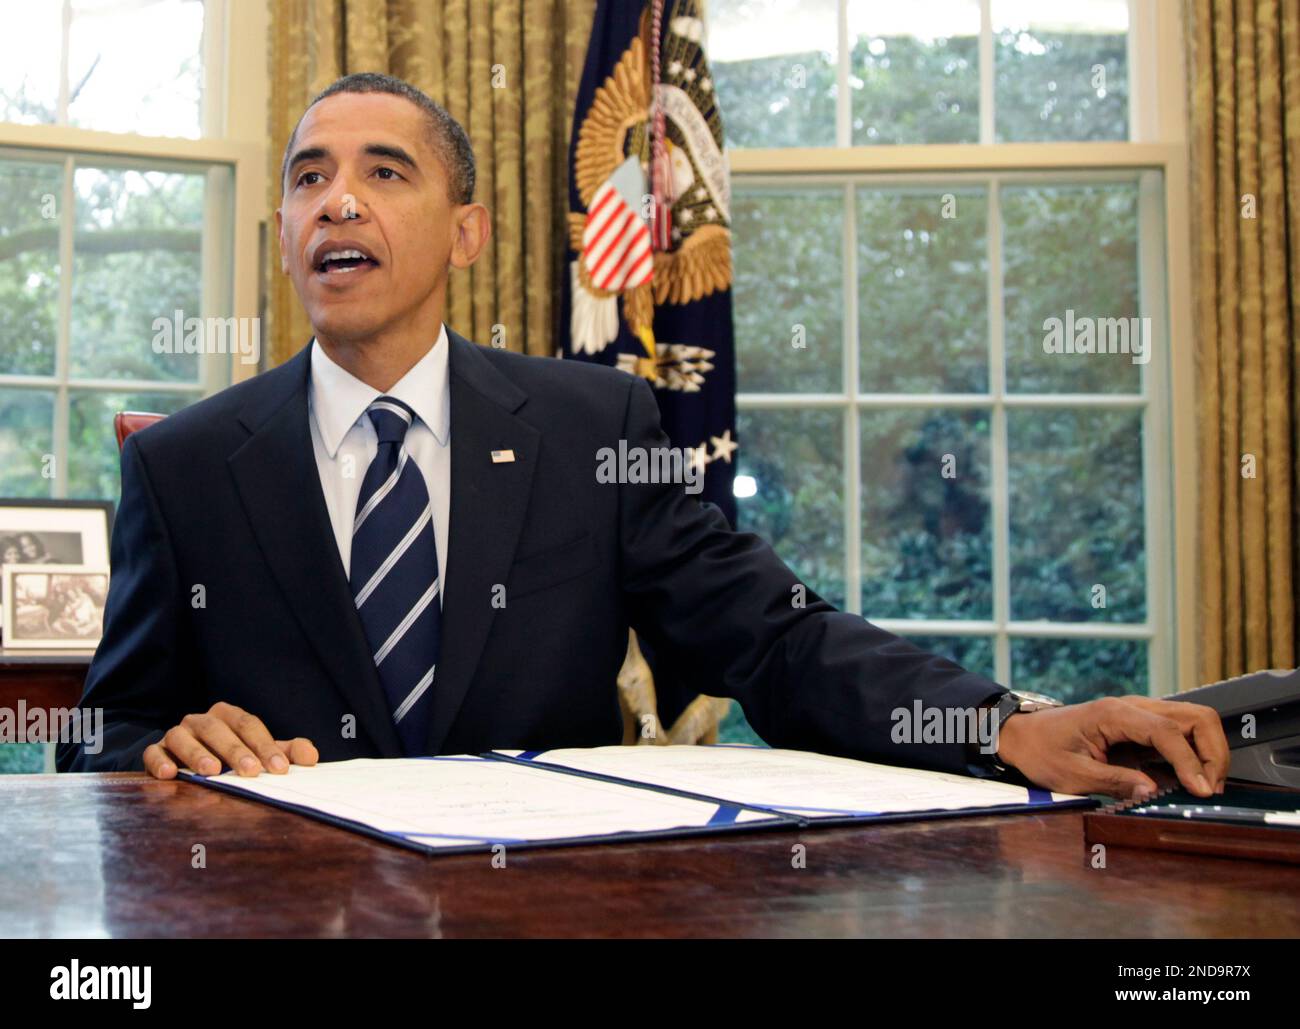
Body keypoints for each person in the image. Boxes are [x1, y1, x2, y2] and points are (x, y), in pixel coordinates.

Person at [57, 74, 1229, 804]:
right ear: (284, 232)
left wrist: (1007, 726)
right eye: (309, 177)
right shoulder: (184, 462)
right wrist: (163, 743)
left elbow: (771, 636)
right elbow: (102, 736)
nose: (338, 201)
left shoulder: (592, 428)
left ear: (465, 233)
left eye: (382, 172)